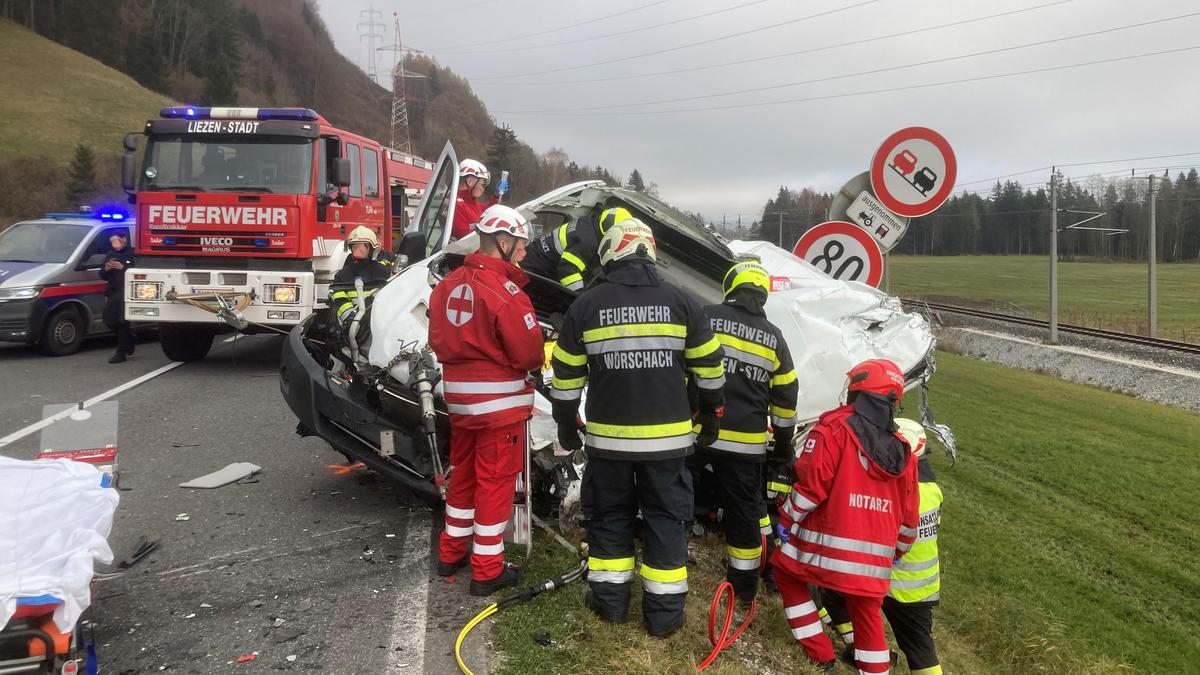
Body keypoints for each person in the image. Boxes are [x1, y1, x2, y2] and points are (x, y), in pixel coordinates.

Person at [550, 218, 725, 637]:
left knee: (609, 516)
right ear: (649, 251)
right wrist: (711, 419)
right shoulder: (683, 303)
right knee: (666, 519)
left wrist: (566, 427)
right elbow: (712, 373)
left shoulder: (586, 306)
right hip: (668, 447)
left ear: (610, 253)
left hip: (608, 444)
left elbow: (565, 378)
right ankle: (664, 619)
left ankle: (609, 605)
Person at [770, 359, 919, 674]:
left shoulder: (834, 427)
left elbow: (810, 488)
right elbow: (909, 521)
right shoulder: (905, 452)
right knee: (866, 614)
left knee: (785, 572)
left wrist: (785, 521)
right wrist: (895, 553)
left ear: (858, 389)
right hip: (873, 562)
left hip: (826, 551)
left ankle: (820, 655)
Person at [429, 204, 545, 597]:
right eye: (522, 244)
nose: (525, 252)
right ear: (504, 240)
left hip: (459, 402)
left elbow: (437, 340)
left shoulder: (447, 284)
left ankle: (450, 551)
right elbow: (528, 354)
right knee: (495, 483)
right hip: (498, 407)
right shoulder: (506, 292)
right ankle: (487, 569)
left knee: (462, 473)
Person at [696, 260, 798, 604]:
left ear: (731, 286)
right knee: (744, 515)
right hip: (746, 446)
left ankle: (666, 554)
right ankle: (743, 590)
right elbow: (785, 399)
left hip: (699, 433)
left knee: (673, 492)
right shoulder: (775, 338)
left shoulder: (706, 316)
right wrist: (783, 446)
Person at [818, 418, 944, 674]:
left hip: (887, 580)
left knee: (833, 594)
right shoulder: (933, 489)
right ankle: (858, 649)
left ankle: (858, 648)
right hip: (922, 589)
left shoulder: (895, 489)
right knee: (921, 651)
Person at [521, 206, 632, 291]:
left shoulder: (590, 222)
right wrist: (579, 295)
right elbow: (568, 269)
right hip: (532, 270)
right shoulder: (588, 242)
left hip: (532, 257)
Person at [329, 226, 395, 324]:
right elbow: (339, 299)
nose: (359, 250)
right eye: (355, 246)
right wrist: (350, 317)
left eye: (363, 247)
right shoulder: (385, 272)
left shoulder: (341, 275)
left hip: (379, 323)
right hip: (357, 328)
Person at [100, 232, 135, 364]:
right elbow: (102, 275)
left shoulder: (132, 254)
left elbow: (139, 272)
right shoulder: (110, 254)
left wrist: (124, 268)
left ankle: (121, 354)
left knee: (122, 322)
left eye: (117, 241)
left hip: (127, 292)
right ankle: (129, 341)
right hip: (113, 292)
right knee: (108, 320)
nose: (115, 244)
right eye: (113, 242)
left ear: (124, 239)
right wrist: (106, 269)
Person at [450, 159, 499, 241]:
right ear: (470, 181)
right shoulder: (457, 205)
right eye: (482, 185)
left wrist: (496, 196)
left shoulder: (469, 201)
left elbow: (484, 212)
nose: (483, 190)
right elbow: (465, 239)